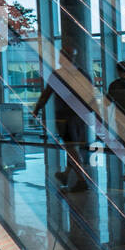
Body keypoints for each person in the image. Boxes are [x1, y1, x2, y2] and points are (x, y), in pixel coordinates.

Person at [33, 46, 90, 192]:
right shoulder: (83, 74)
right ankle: (66, 174)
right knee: (73, 147)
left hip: (66, 117)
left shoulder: (58, 75)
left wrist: (37, 108)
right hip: (80, 116)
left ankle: (81, 180)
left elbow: (47, 93)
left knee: (71, 149)